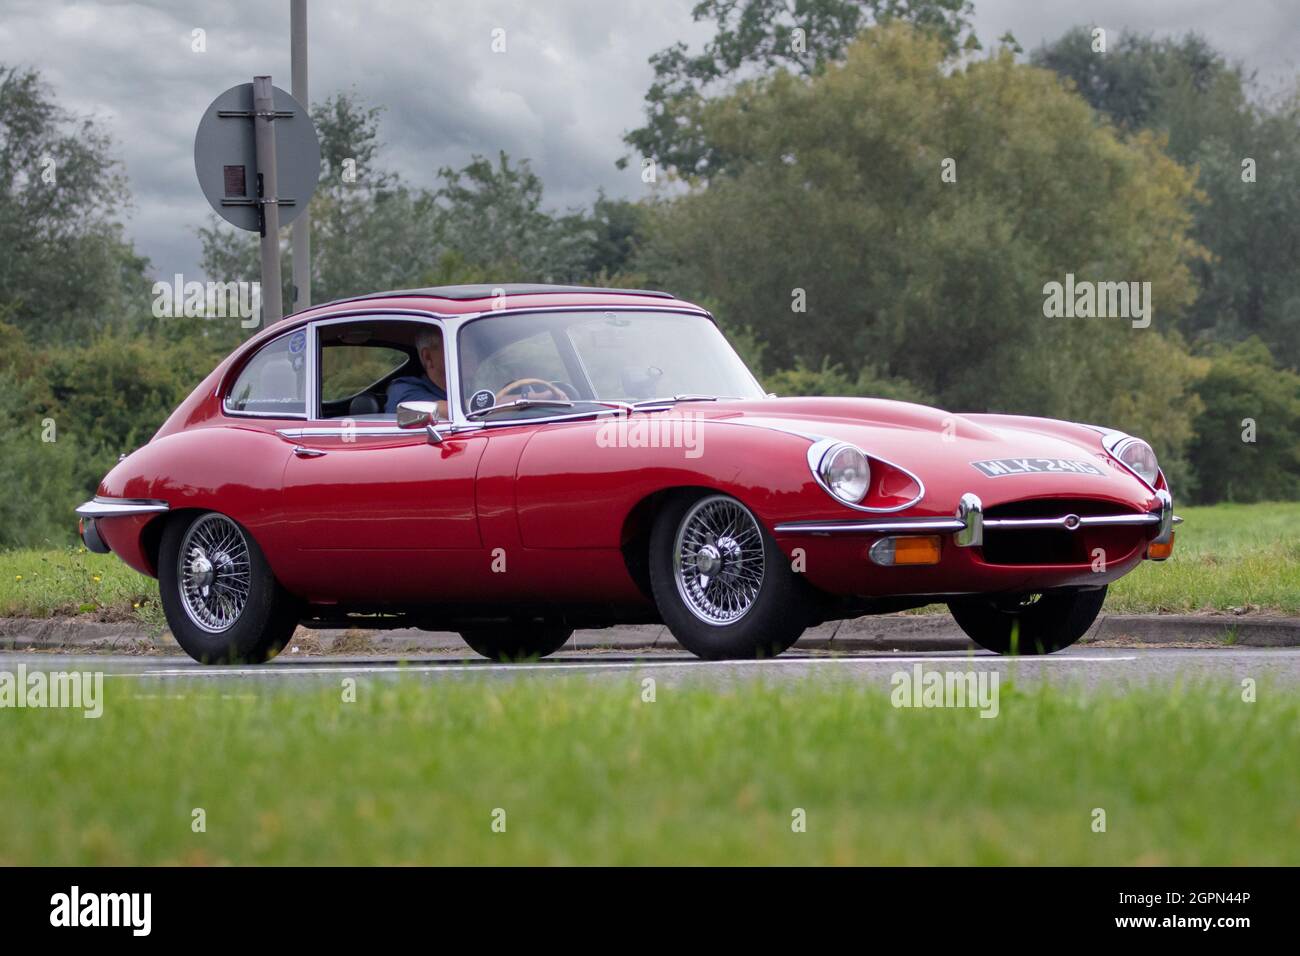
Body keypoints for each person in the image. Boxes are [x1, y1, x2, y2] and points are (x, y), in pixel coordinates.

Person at [386, 328, 447, 416]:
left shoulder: (469, 389)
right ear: (428, 357)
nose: (472, 353)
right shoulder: (404, 391)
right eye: (460, 346)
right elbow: (452, 411)